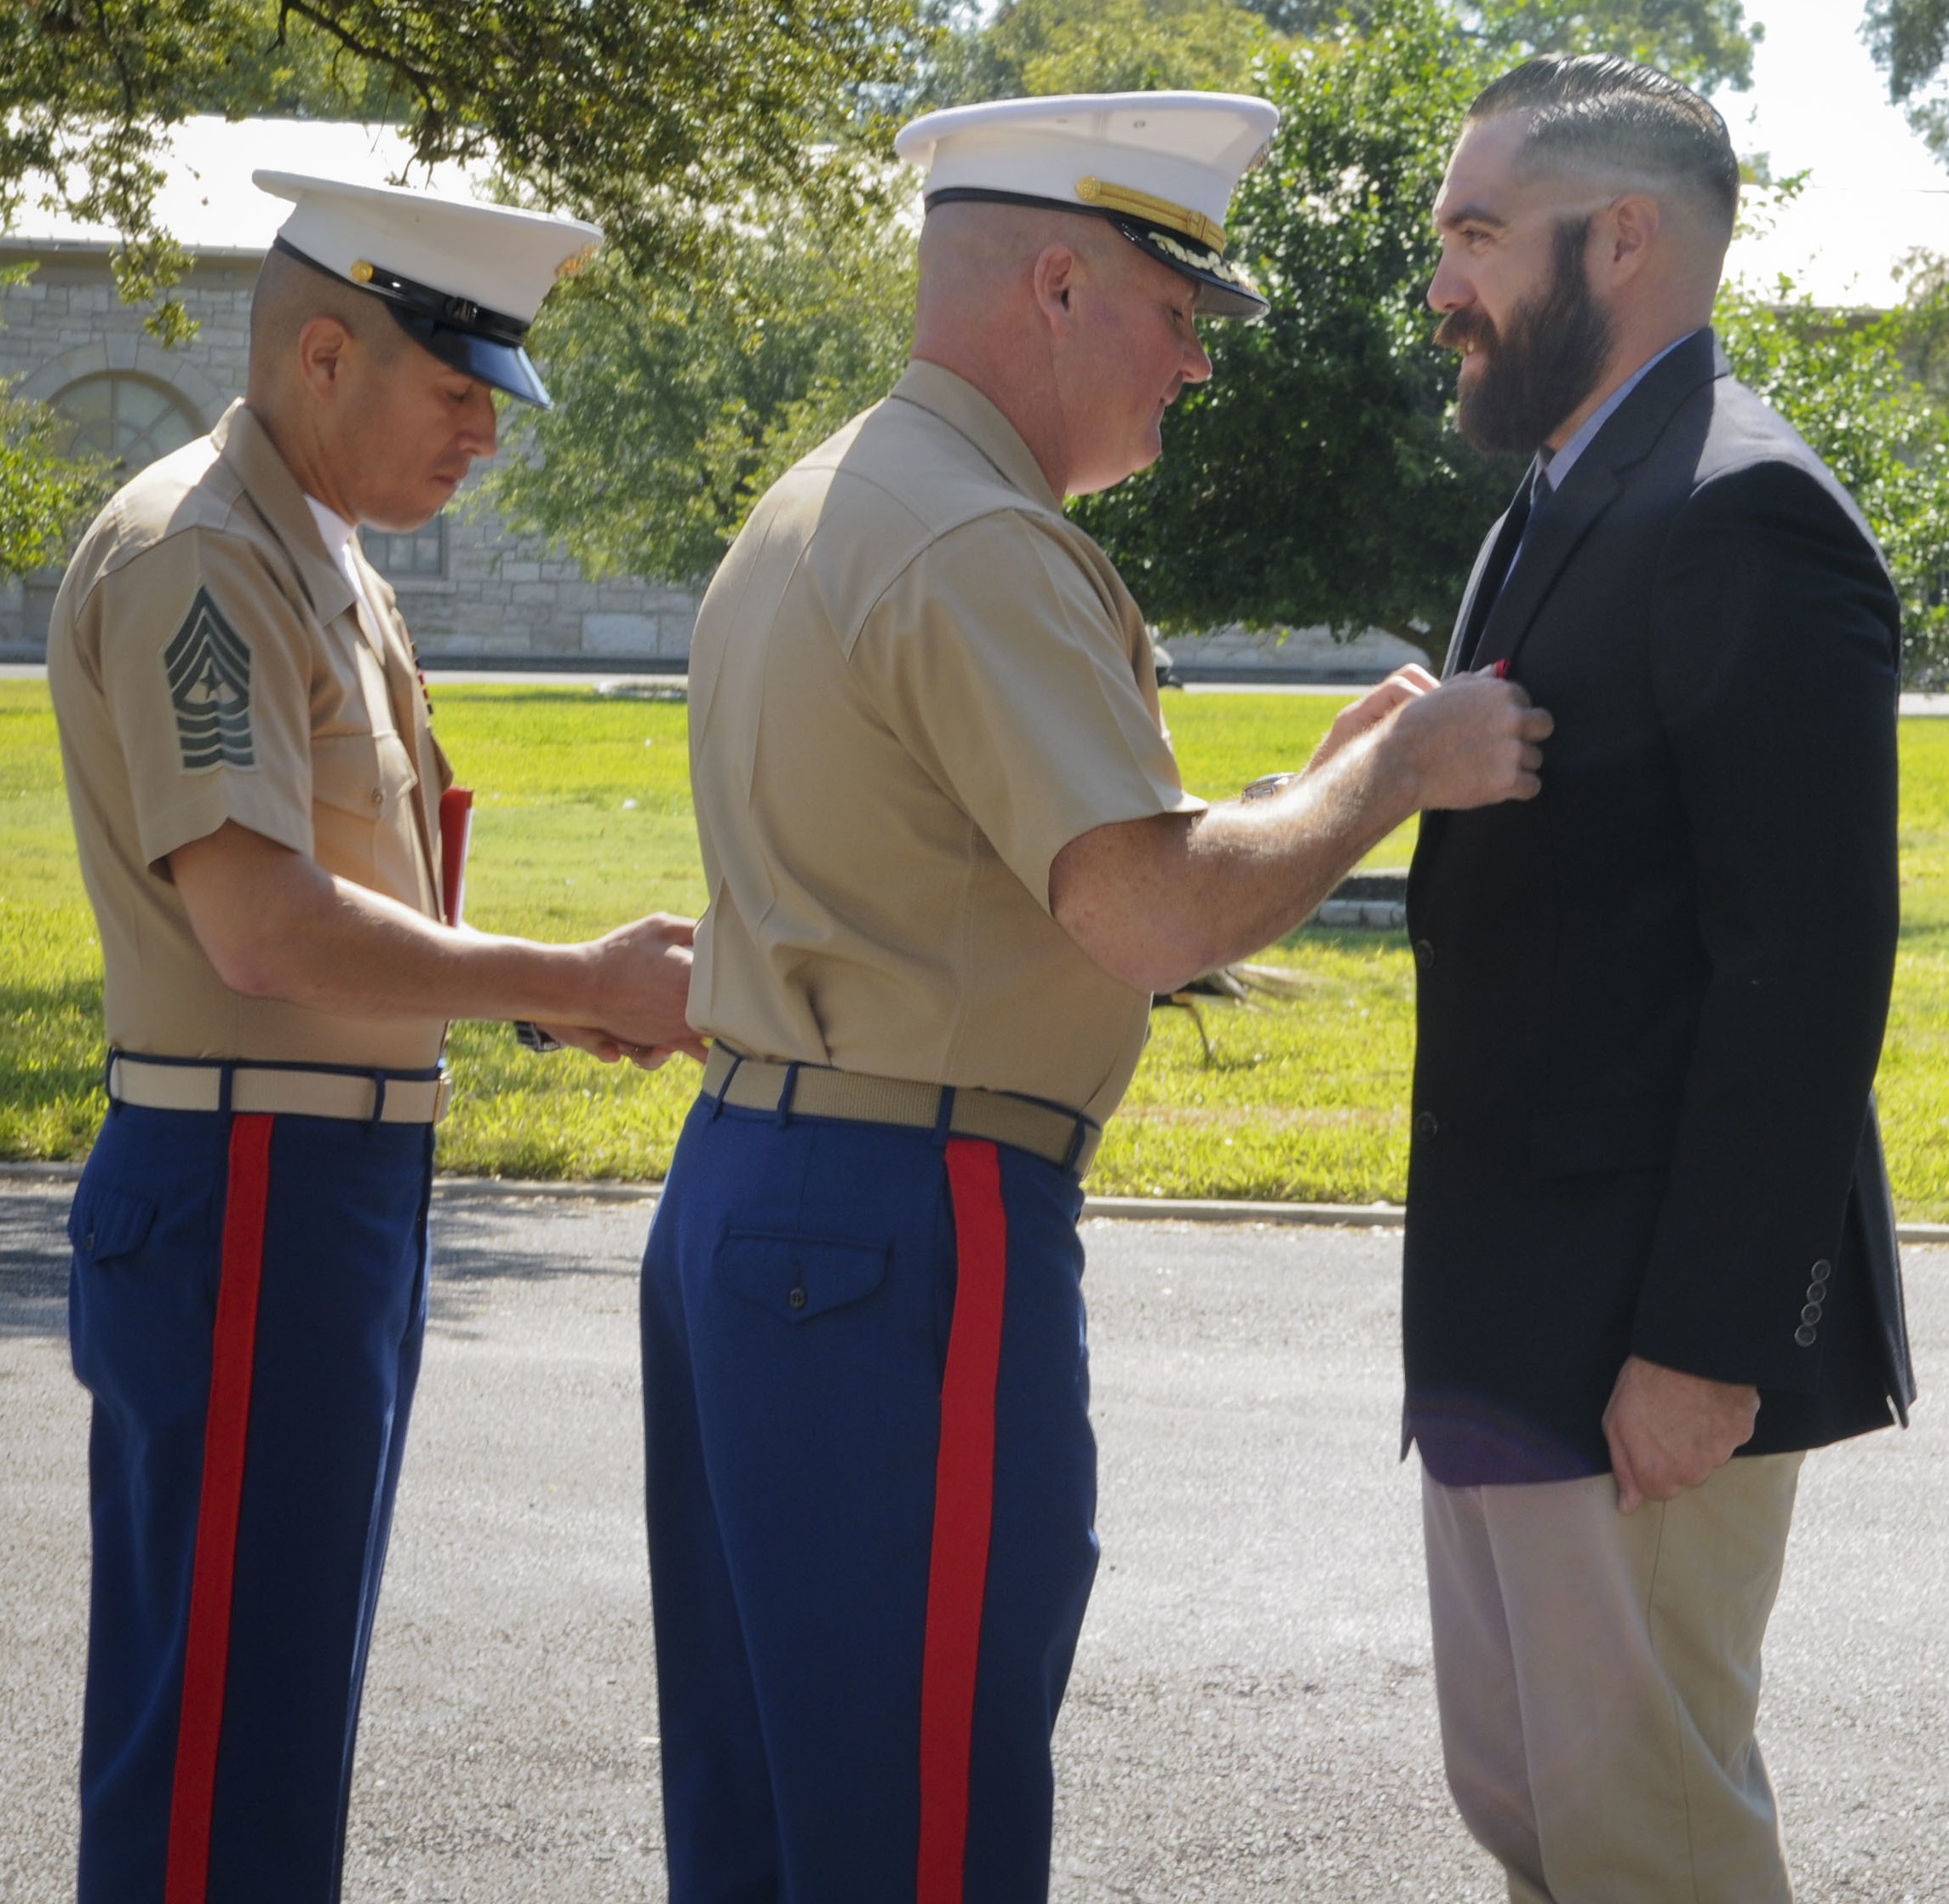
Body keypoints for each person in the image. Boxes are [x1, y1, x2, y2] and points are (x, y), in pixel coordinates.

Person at [645, 90, 1554, 1903]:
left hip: (773, 1189)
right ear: (1055, 282)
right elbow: (1140, 911)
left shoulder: (840, 491)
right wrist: (1389, 777)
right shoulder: (975, 539)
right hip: (912, 1219)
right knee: (918, 1827)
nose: (1193, 368)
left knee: (783, 1817)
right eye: (1176, 309)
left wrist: (1297, 788)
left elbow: (1017, 880)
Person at [47, 172, 701, 1903]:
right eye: (455, 387)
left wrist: (546, 997)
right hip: (246, 1176)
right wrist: (567, 976)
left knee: (265, 1710)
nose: (483, 432)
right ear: (323, 352)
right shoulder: (208, 551)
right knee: (219, 1747)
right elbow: (260, 929)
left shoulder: (310, 548)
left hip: (311, 1177)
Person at [1405, 54, 1916, 1902]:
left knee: (1651, 1846)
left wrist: (1702, 1346)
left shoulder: (1741, 512)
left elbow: (1801, 965)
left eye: (1473, 232)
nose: (1441, 281)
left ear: (1619, 236)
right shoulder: (1565, 486)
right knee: (1539, 1814)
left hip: (1638, 1350)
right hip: (1510, 1320)